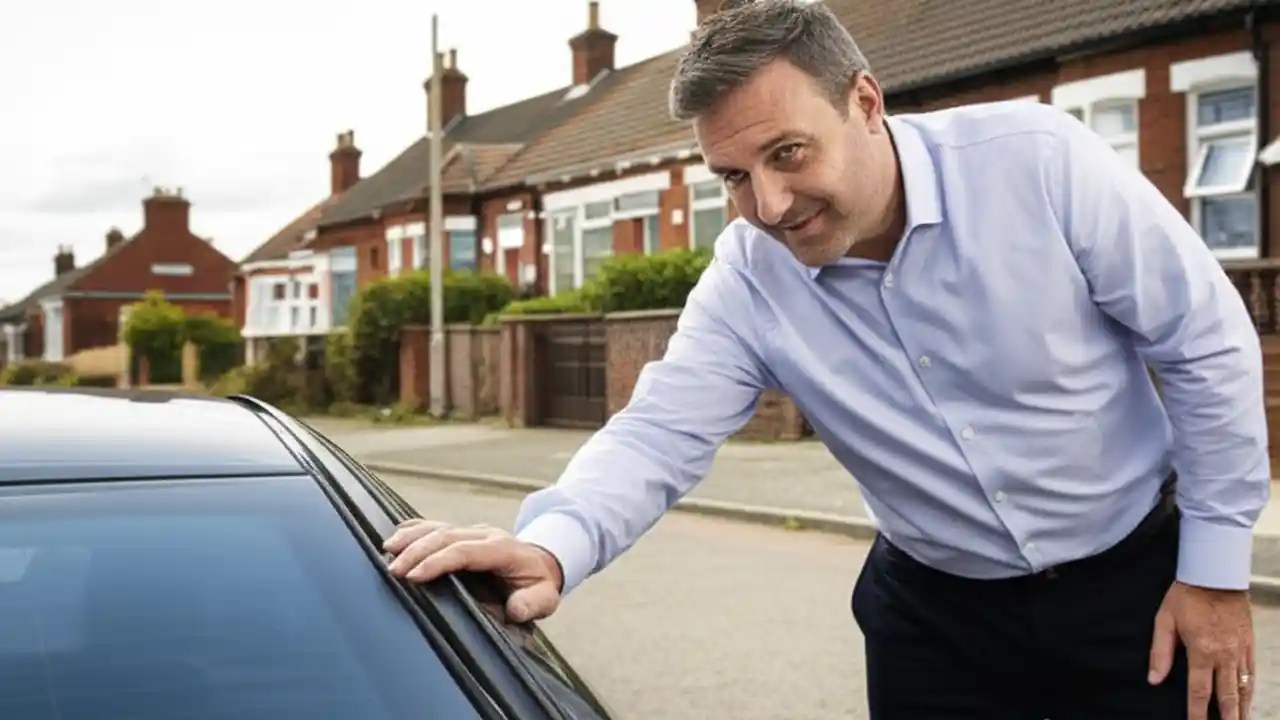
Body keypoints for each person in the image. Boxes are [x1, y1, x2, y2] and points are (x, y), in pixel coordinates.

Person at [384, 1, 1268, 717]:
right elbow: (657, 433)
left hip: (1136, 585)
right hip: (936, 619)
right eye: (731, 176)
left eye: (787, 154)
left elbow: (1204, 343)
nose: (766, 204)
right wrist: (550, 546)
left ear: (868, 103)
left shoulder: (1039, 163)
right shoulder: (748, 278)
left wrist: (1217, 574)